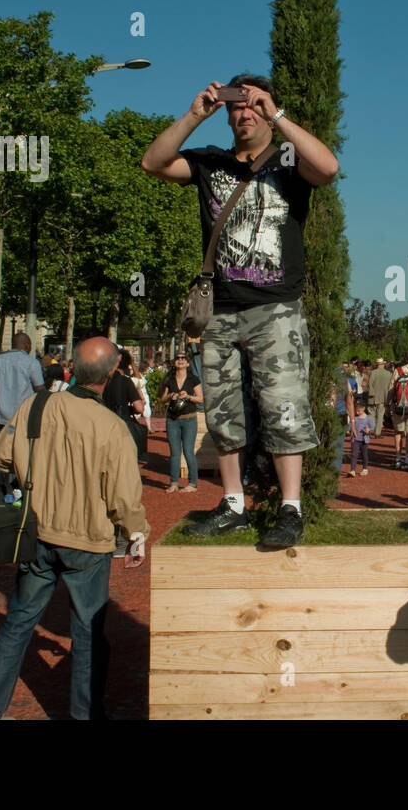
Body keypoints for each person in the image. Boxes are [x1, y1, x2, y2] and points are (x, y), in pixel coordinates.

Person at [143, 76, 339, 546]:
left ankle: (290, 509)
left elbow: (329, 168)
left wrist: (277, 114)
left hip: (276, 308)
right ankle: (233, 502)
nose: (244, 114)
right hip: (221, 309)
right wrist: (196, 113)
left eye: (253, 106)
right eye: (237, 107)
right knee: (224, 408)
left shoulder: (289, 160)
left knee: (283, 406)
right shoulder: (211, 162)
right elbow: (153, 162)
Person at [0, 337, 149, 720]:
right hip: (88, 540)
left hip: (36, 532)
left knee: (17, 624)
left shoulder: (37, 406)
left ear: (72, 368)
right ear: (112, 373)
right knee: (87, 634)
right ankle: (84, 715)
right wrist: (136, 534)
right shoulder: (112, 427)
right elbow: (124, 498)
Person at [0, 334, 46, 484]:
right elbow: (40, 389)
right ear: (27, 345)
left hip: (0, 418)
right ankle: (14, 488)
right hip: (23, 419)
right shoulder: (32, 363)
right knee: (20, 454)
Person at [160, 353, 203, 494]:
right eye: (178, 358)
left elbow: (201, 399)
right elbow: (162, 399)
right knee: (174, 452)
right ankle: (173, 483)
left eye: (183, 358)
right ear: (174, 362)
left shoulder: (193, 379)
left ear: (188, 363)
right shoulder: (169, 379)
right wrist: (170, 396)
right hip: (172, 419)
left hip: (189, 418)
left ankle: (192, 483)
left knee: (188, 451)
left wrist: (189, 396)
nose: (180, 360)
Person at [347, 401, 373, 479]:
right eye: (356, 411)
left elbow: (372, 427)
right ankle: (352, 470)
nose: (357, 412)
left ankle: (365, 469)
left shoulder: (368, 418)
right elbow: (350, 426)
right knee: (354, 455)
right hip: (355, 439)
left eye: (359, 411)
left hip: (364, 440)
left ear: (363, 409)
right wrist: (349, 430)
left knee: (364, 455)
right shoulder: (354, 418)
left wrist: (369, 430)